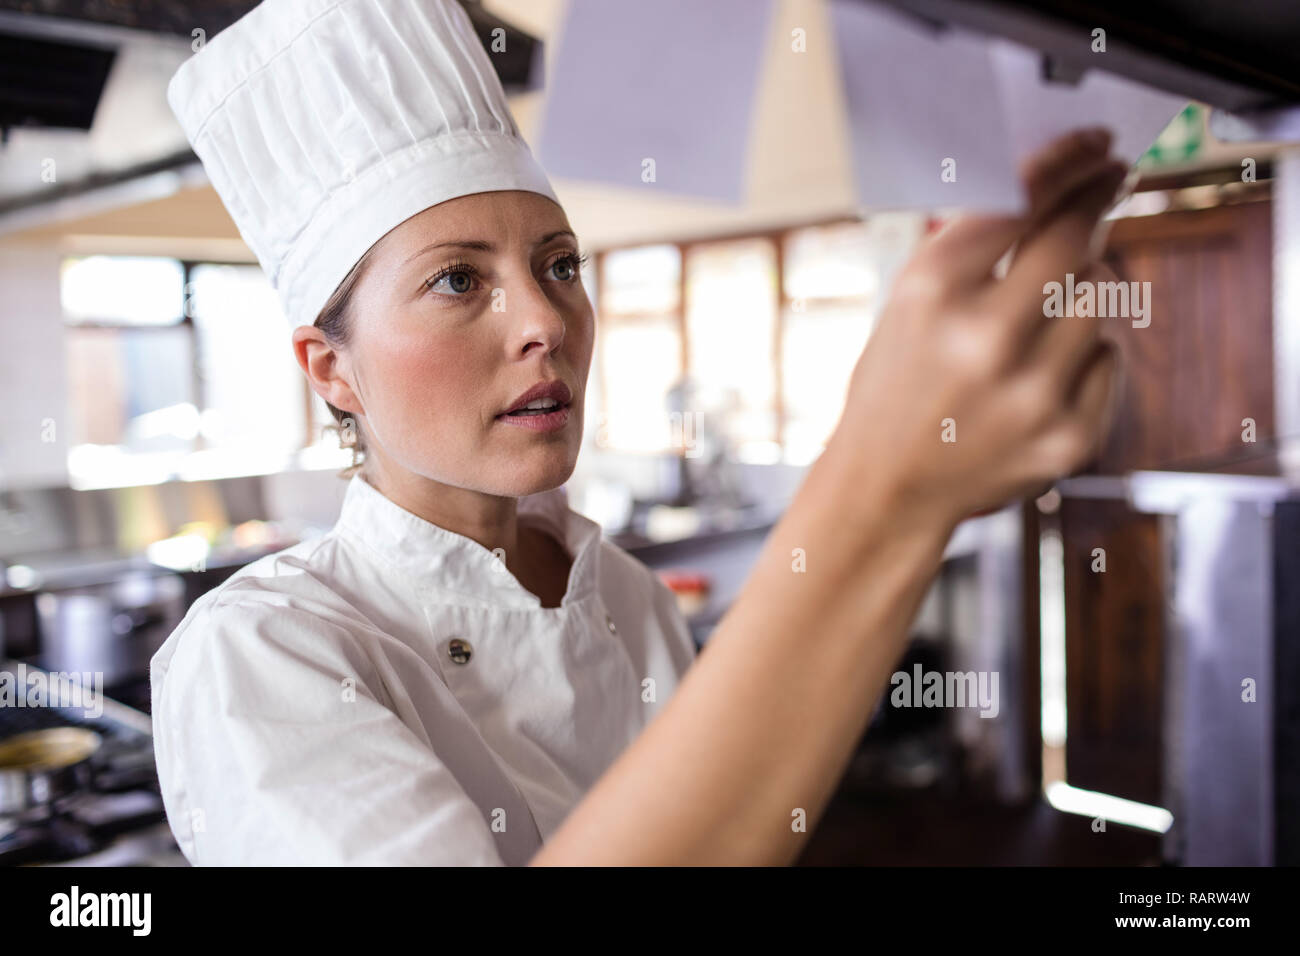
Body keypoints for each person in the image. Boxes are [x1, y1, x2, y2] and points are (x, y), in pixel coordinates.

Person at [151, 0, 1123, 866]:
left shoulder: (628, 596)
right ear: (331, 368)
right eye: (458, 278)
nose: (543, 319)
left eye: (560, 263)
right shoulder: (260, 655)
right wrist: (885, 491)